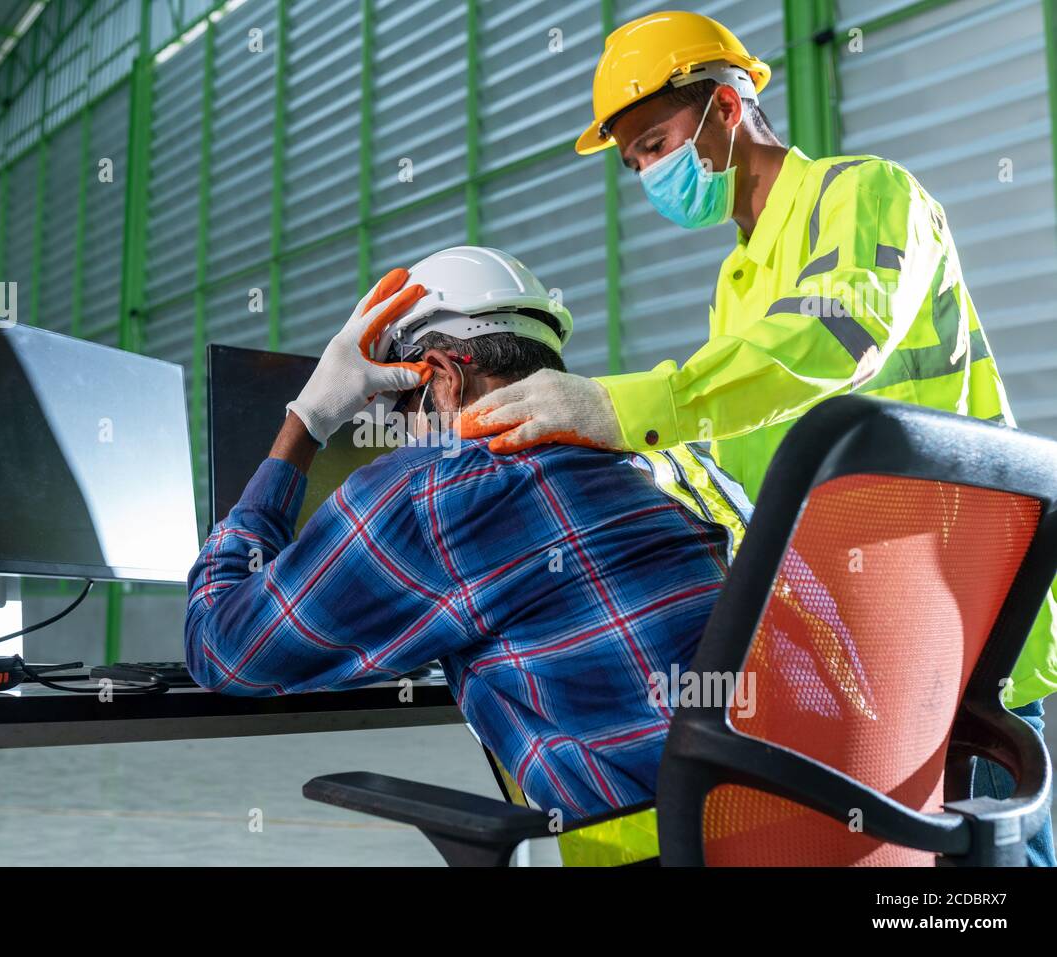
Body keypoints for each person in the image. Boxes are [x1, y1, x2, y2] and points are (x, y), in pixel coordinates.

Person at [457, 10, 1056, 865]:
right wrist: (594, 465)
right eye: (634, 163)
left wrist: (616, 404)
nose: (650, 173)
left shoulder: (863, 195)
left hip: (962, 639)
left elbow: (835, 335)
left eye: (656, 142)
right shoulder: (738, 286)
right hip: (864, 663)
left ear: (727, 109)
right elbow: (731, 454)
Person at [184, 246, 749, 863]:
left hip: (656, 851)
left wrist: (307, 421)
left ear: (442, 377)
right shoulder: (655, 468)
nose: (403, 436)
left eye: (401, 413)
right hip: (793, 827)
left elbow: (222, 649)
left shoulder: (433, 487)